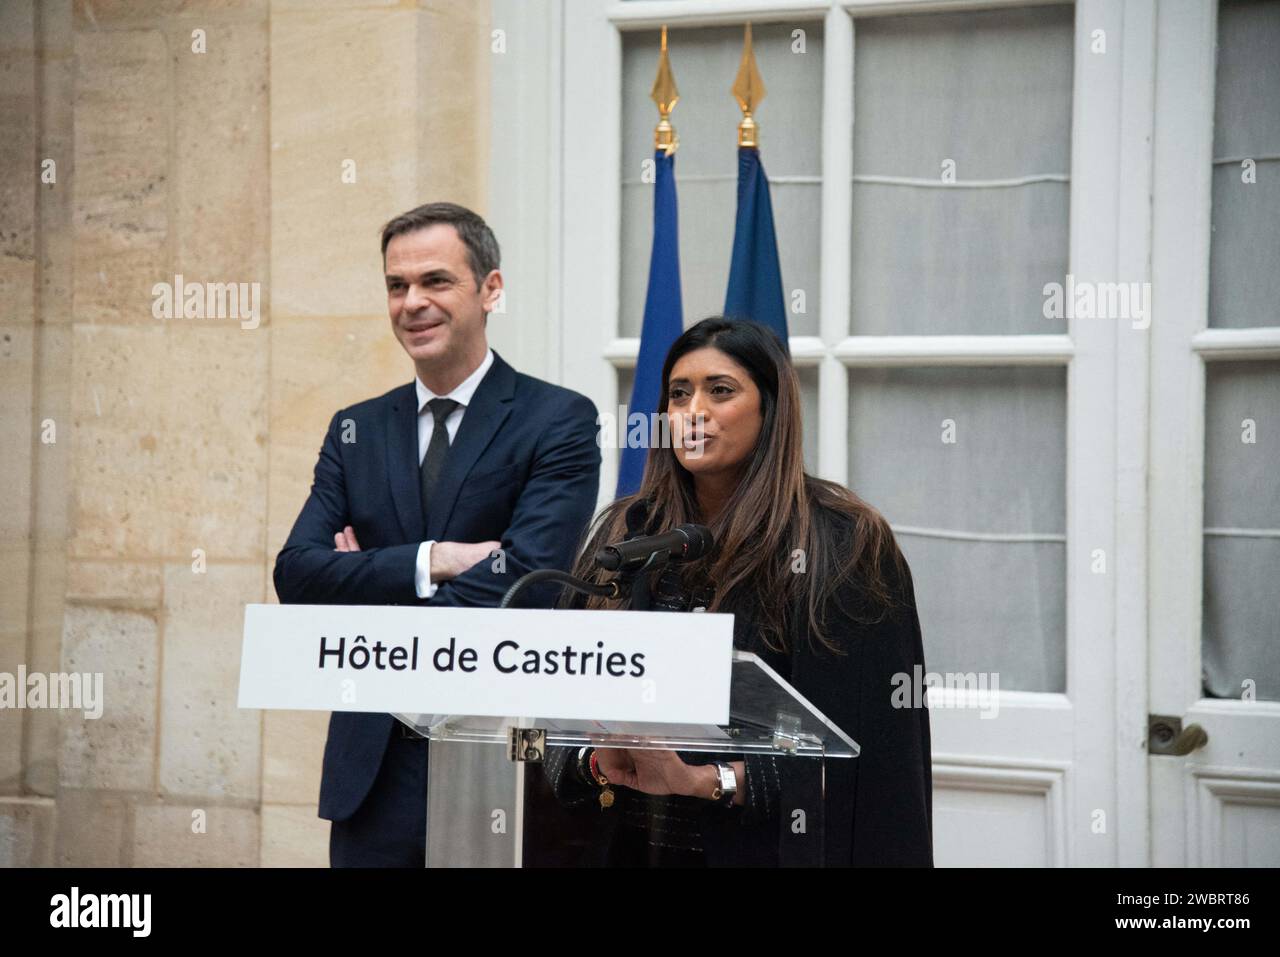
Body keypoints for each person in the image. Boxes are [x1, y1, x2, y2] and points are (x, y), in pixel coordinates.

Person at [528, 317, 933, 867]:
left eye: (721, 391)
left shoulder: (843, 542)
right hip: (624, 847)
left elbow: (862, 751)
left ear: (771, 411)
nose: (694, 410)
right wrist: (598, 761)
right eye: (678, 393)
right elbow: (560, 713)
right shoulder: (628, 533)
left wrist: (702, 779)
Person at [274, 202, 601, 867]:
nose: (412, 302)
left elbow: (530, 582)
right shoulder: (355, 429)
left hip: (497, 759)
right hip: (373, 770)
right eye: (397, 285)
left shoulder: (558, 419)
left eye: (436, 281)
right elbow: (297, 574)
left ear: (491, 290)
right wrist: (435, 560)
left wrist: (371, 587)